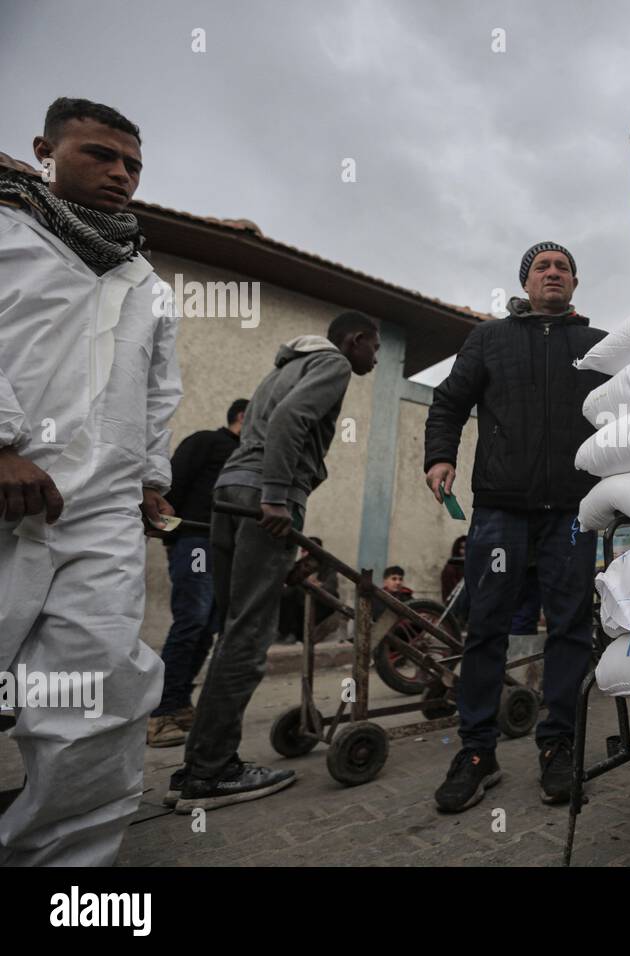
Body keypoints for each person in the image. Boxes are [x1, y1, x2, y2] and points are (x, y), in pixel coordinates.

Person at [0, 98, 182, 865]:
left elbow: (157, 390)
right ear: (45, 149)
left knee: (97, 699)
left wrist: (149, 478)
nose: (119, 175)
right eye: (99, 155)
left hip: (103, 512)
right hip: (9, 497)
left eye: (132, 165)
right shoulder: (8, 233)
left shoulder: (145, 280)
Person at [170, 311, 380, 812]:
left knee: (233, 628)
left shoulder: (285, 367)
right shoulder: (333, 365)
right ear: (356, 341)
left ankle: (199, 762)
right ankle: (212, 772)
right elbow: (291, 420)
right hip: (263, 498)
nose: (374, 357)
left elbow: (272, 422)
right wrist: (279, 498)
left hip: (229, 494)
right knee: (250, 633)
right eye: (374, 348)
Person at [423, 242, 606, 812]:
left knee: (572, 627)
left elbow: (626, 411)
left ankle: (558, 747)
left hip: (574, 509)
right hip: (501, 507)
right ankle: (477, 753)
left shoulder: (599, 346)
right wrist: (439, 456)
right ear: (525, 282)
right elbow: (449, 402)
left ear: (575, 282)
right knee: (486, 628)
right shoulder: (490, 339)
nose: (552, 273)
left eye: (562, 267)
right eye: (541, 267)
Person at [148, 398, 249, 747]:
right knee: (191, 619)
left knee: (208, 625)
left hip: (224, 550)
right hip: (196, 542)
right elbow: (173, 484)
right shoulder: (208, 441)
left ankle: (178, 702)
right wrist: (167, 531)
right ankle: (160, 712)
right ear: (241, 416)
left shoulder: (247, 456)